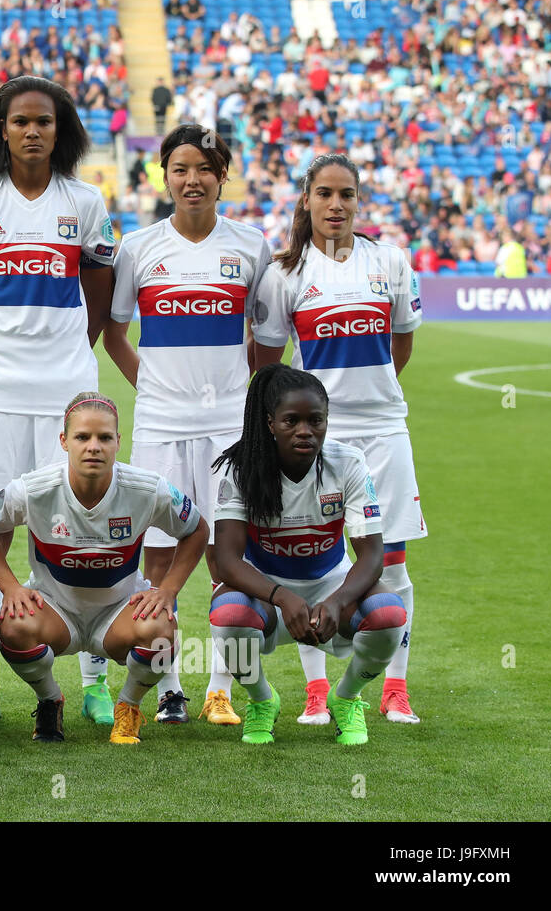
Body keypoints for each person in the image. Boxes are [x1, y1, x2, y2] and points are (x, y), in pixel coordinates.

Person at [0, 75, 117, 728]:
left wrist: (76, 349)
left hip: (66, 389)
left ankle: (95, 677)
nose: (33, 131)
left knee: (80, 530)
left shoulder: (86, 201)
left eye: (44, 121)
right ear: (3, 130)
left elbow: (98, 285)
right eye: (20, 121)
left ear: (59, 129)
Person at [103, 125, 272, 726]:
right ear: (164, 176)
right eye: (180, 168)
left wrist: (243, 400)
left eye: (205, 168)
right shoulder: (139, 248)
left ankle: (221, 687)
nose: (192, 179)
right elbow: (115, 332)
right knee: (158, 559)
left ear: (222, 175)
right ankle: (171, 686)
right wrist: (149, 385)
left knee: (230, 557)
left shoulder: (252, 247)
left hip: (230, 430)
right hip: (159, 426)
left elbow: (270, 338)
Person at [251, 153, 425, 724]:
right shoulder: (285, 273)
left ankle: (393, 688)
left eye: (346, 195)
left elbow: (400, 344)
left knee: (392, 563)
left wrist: (374, 395)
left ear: (358, 201)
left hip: (383, 430)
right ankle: (318, 691)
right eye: (324, 194)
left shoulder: (392, 262)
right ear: (306, 199)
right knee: (308, 565)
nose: (335, 205)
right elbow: (271, 368)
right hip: (314, 436)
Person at [0, 393, 209, 744]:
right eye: (82, 437)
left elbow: (197, 530)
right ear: (64, 442)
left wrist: (168, 589)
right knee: (13, 624)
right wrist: (9, 586)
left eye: (104, 438)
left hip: (119, 614)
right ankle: (49, 700)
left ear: (118, 442)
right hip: (55, 611)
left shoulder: (147, 490)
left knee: (162, 630)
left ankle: (128, 708)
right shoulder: (34, 489)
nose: (94, 447)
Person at [208, 364, 407, 745]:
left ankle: (345, 698)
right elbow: (227, 561)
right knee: (229, 613)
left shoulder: (347, 463)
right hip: (266, 597)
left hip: (333, 590)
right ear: (269, 423)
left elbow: (372, 555)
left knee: (389, 614)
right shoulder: (240, 469)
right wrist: (281, 596)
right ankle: (262, 701)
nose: (305, 431)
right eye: (291, 421)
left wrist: (336, 601)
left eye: (316, 420)